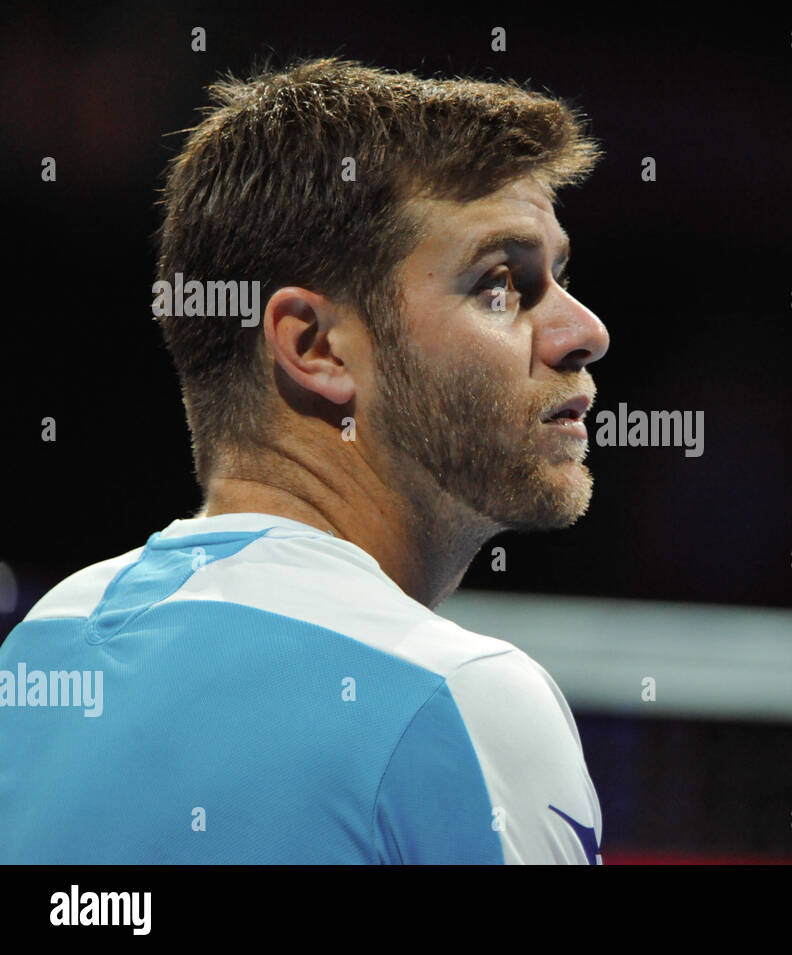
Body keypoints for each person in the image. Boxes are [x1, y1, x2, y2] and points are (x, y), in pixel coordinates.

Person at [0, 57, 609, 864]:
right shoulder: (458, 699)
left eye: (560, 276)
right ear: (315, 346)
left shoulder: (44, 648)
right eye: (501, 283)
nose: (584, 330)